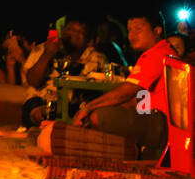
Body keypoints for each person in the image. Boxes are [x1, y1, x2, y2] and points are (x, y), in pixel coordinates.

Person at [73, 11, 175, 159]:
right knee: (108, 111)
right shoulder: (159, 51)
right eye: (129, 30)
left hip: (164, 124)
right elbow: (138, 98)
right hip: (157, 119)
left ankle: (117, 155)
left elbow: (128, 90)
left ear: (157, 30)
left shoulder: (157, 54)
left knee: (99, 116)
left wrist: (89, 107)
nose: (132, 35)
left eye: (138, 29)